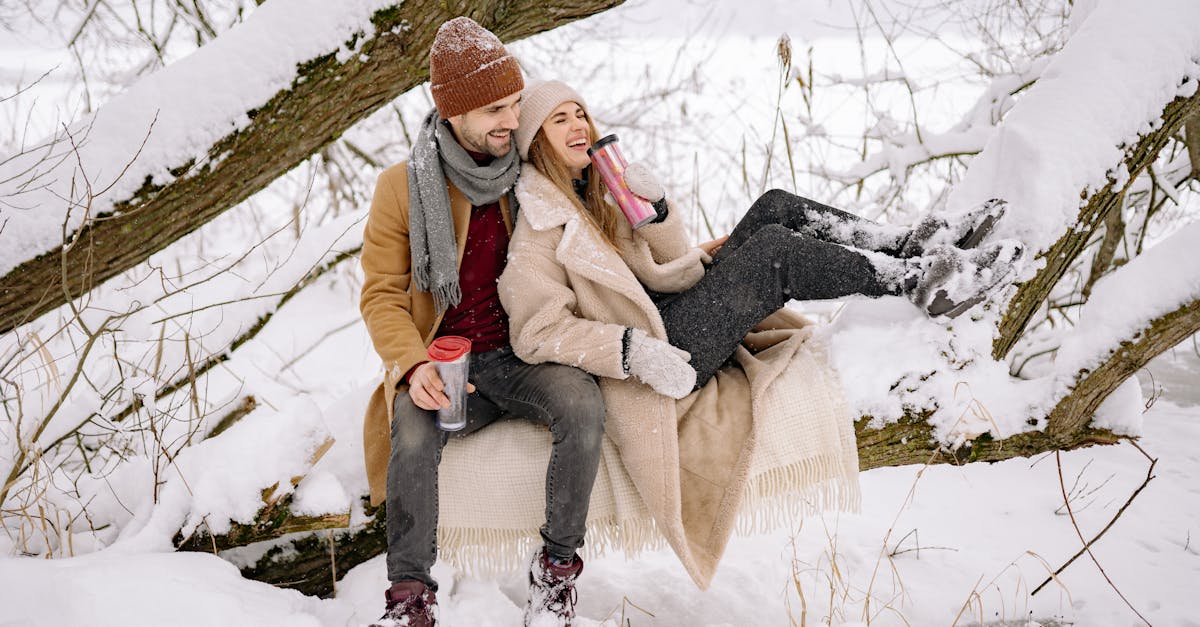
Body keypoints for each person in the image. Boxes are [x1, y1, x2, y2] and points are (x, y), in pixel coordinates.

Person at [500, 79, 1022, 393]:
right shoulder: (537, 229)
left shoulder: (596, 193)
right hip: (664, 351)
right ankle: (915, 281)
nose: (579, 127)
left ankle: (905, 244)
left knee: (775, 205)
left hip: (675, 309)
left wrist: (657, 212)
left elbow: (671, 264)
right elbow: (537, 332)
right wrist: (632, 350)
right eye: (558, 121)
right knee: (773, 253)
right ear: (535, 142)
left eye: (580, 115)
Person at [358, 22, 605, 627]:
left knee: (582, 403)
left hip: (523, 353)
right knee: (412, 436)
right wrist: (414, 366)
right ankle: (410, 599)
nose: (511, 119)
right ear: (454, 112)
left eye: (517, 104)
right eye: (496, 108)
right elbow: (382, 295)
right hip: (446, 360)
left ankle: (555, 574)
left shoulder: (526, 173)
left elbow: (602, 232)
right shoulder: (402, 187)